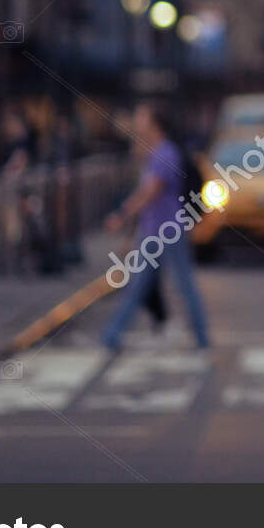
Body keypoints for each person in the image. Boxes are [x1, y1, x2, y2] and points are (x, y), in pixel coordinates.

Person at [100, 102, 210, 352]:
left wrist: (122, 215)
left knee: (183, 285)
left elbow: (150, 192)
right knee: (140, 284)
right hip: (155, 230)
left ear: (154, 123)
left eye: (142, 118)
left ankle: (202, 336)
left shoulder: (166, 153)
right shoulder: (155, 152)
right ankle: (112, 334)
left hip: (168, 230)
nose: (138, 123)